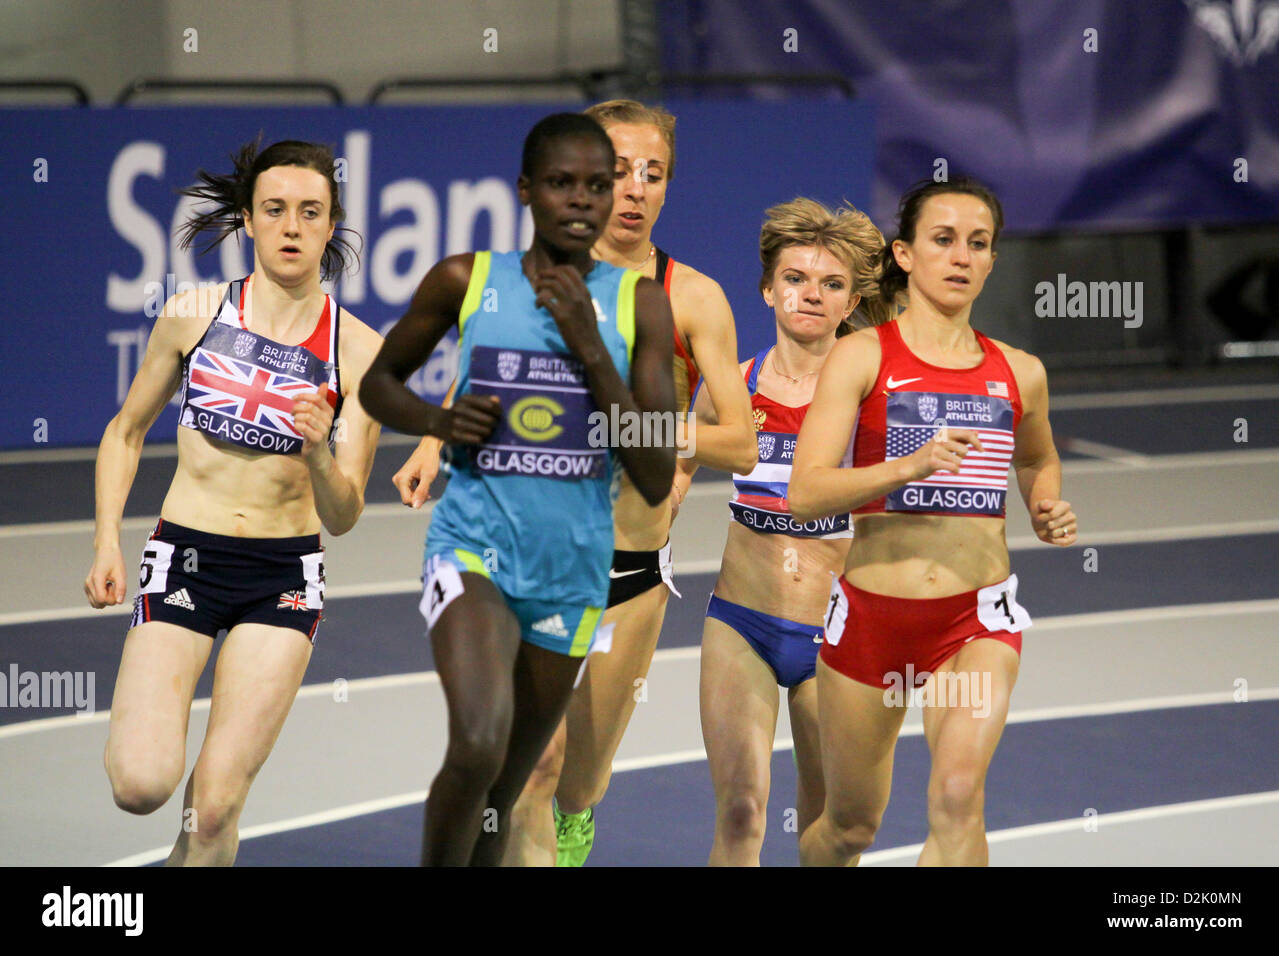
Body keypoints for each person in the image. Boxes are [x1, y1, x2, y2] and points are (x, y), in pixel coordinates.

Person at [392, 100, 756, 866]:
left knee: (579, 784)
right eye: (618, 171)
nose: (633, 190)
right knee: (530, 767)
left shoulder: (688, 298)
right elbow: (487, 378)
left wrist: (648, 434)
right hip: (520, 545)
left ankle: (573, 832)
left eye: (652, 174)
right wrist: (435, 435)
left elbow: (743, 441)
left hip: (625, 568)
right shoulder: (520, 281)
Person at [84, 139, 383, 866]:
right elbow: (125, 432)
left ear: (331, 223)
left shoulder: (360, 352)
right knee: (141, 782)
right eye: (275, 210)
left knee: (214, 808)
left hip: (282, 578)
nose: (291, 227)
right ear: (248, 220)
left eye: (310, 213)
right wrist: (106, 541)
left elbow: (344, 517)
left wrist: (317, 451)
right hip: (184, 560)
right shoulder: (192, 316)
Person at [788, 176, 1078, 866]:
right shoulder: (862, 357)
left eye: (978, 244)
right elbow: (805, 492)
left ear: (991, 260)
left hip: (974, 620)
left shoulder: (1020, 371)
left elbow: (1039, 459)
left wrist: (1045, 505)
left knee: (957, 800)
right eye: (943, 240)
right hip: (872, 620)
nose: (961, 257)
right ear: (906, 254)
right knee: (849, 829)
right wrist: (904, 468)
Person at [682, 199, 892, 865]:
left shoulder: (873, 397)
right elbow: (673, 481)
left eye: (832, 284)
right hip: (740, 620)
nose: (812, 294)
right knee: (741, 811)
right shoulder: (731, 388)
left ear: (853, 299)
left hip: (835, 633)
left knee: (829, 827)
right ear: (768, 288)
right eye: (796, 278)